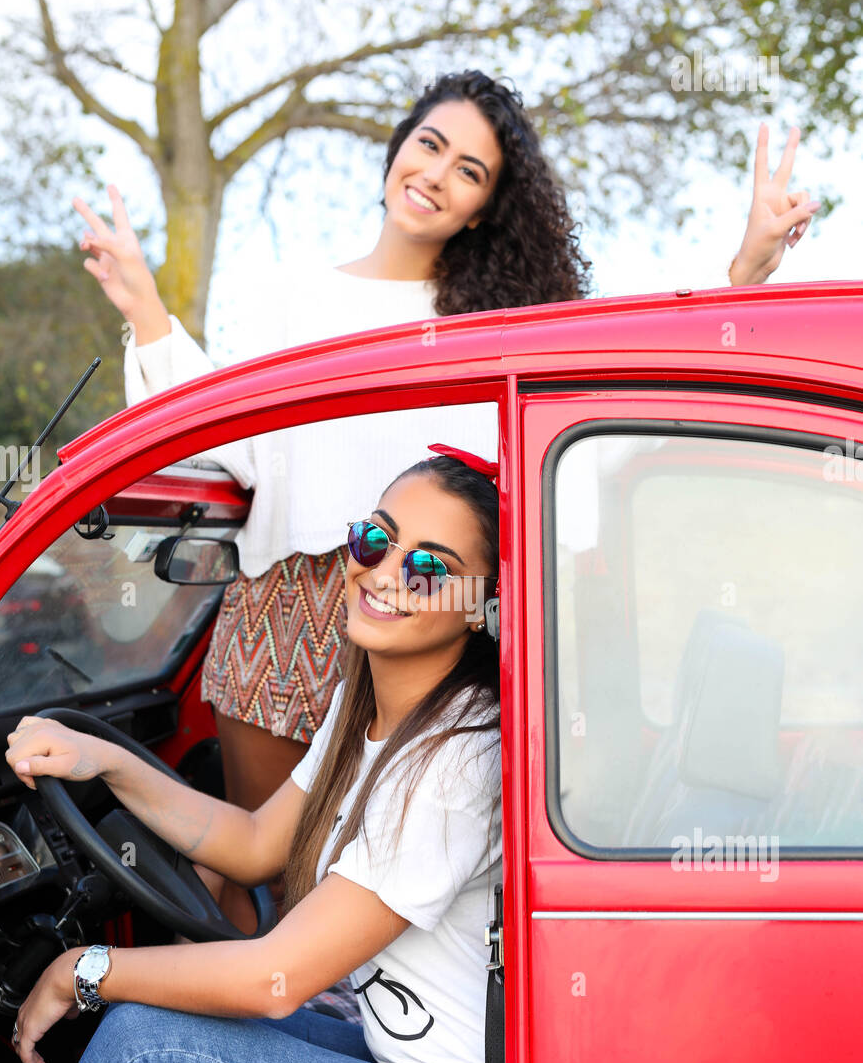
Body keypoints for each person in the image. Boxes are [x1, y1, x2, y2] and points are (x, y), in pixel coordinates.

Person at [72, 72, 817, 949]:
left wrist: (742, 273)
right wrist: (147, 311)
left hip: (423, 615)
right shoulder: (296, 297)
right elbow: (220, 443)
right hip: (282, 620)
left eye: (470, 170)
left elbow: (614, 388)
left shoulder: (498, 326)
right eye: (429, 144)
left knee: (359, 897)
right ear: (397, 150)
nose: (436, 173)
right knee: (256, 870)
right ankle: (234, 1040)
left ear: (482, 209)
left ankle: (335, 1056)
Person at [0, 450, 506, 1063]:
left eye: (430, 568)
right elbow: (256, 842)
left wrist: (80, 970)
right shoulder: (368, 699)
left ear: (480, 605)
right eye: (376, 539)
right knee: (147, 1007)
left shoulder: (457, 757)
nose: (385, 574)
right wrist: (108, 760)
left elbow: (276, 979)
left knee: (141, 1042)